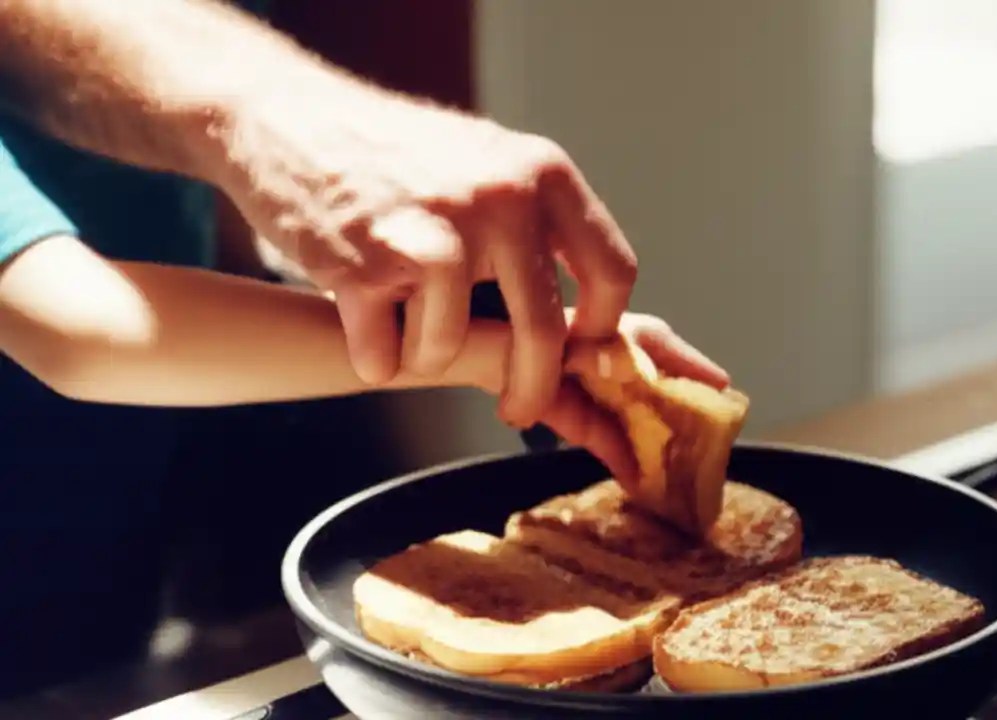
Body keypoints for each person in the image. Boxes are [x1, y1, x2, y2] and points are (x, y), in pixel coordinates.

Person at [0, 0, 729, 695]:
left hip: (129, 495)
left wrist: (493, 344)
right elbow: (80, 328)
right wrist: (487, 353)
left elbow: (204, 205)